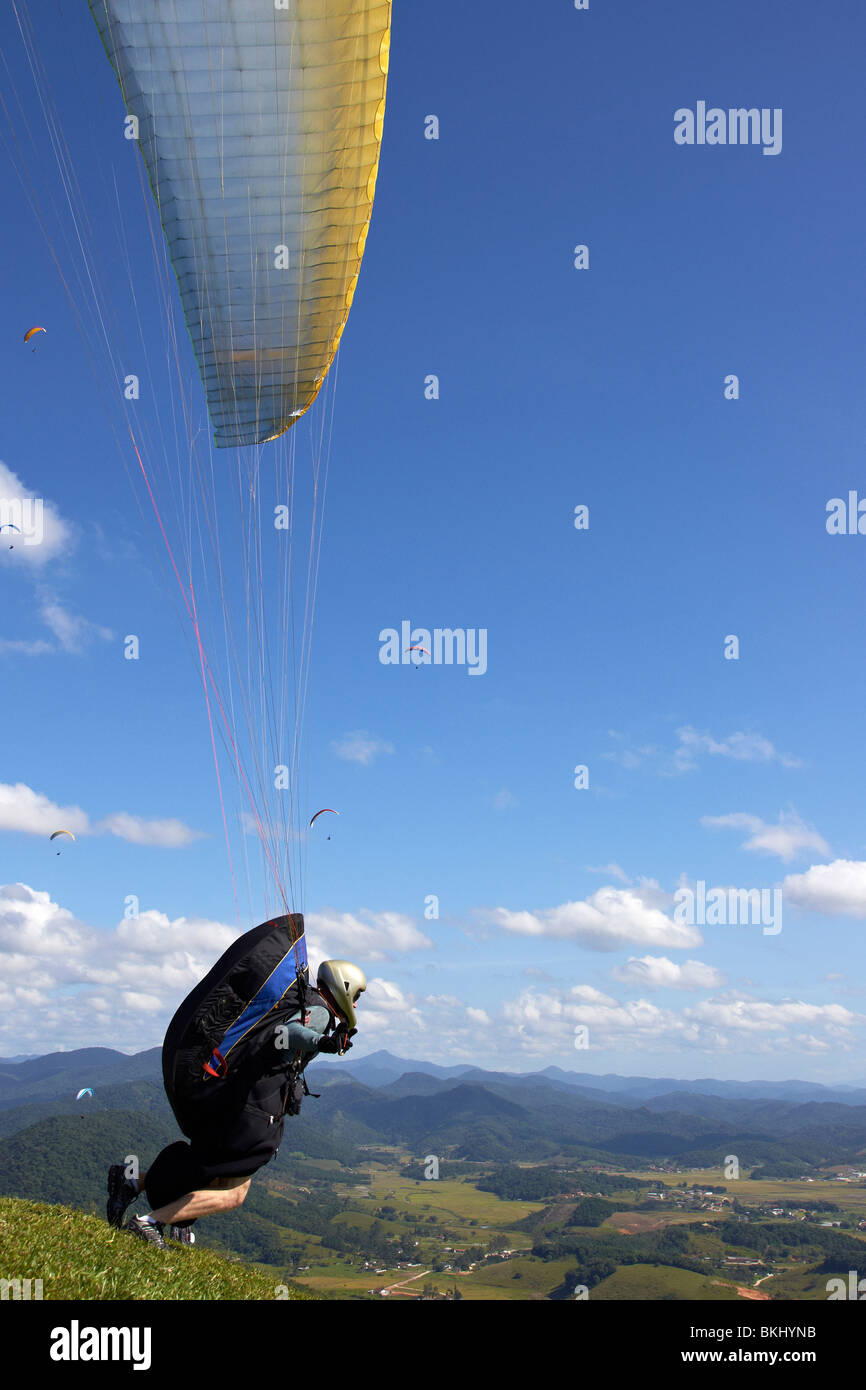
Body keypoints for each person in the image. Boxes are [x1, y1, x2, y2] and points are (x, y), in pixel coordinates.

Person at [107, 958, 366, 1249]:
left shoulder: (308, 1003)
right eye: (355, 997)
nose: (355, 1005)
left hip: (241, 1100)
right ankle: (149, 1222)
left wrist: (329, 1041)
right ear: (343, 988)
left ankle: (133, 1182)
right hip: (256, 1110)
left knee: (213, 1172)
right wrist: (323, 1043)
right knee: (233, 1193)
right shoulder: (319, 1011)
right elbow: (288, 1034)